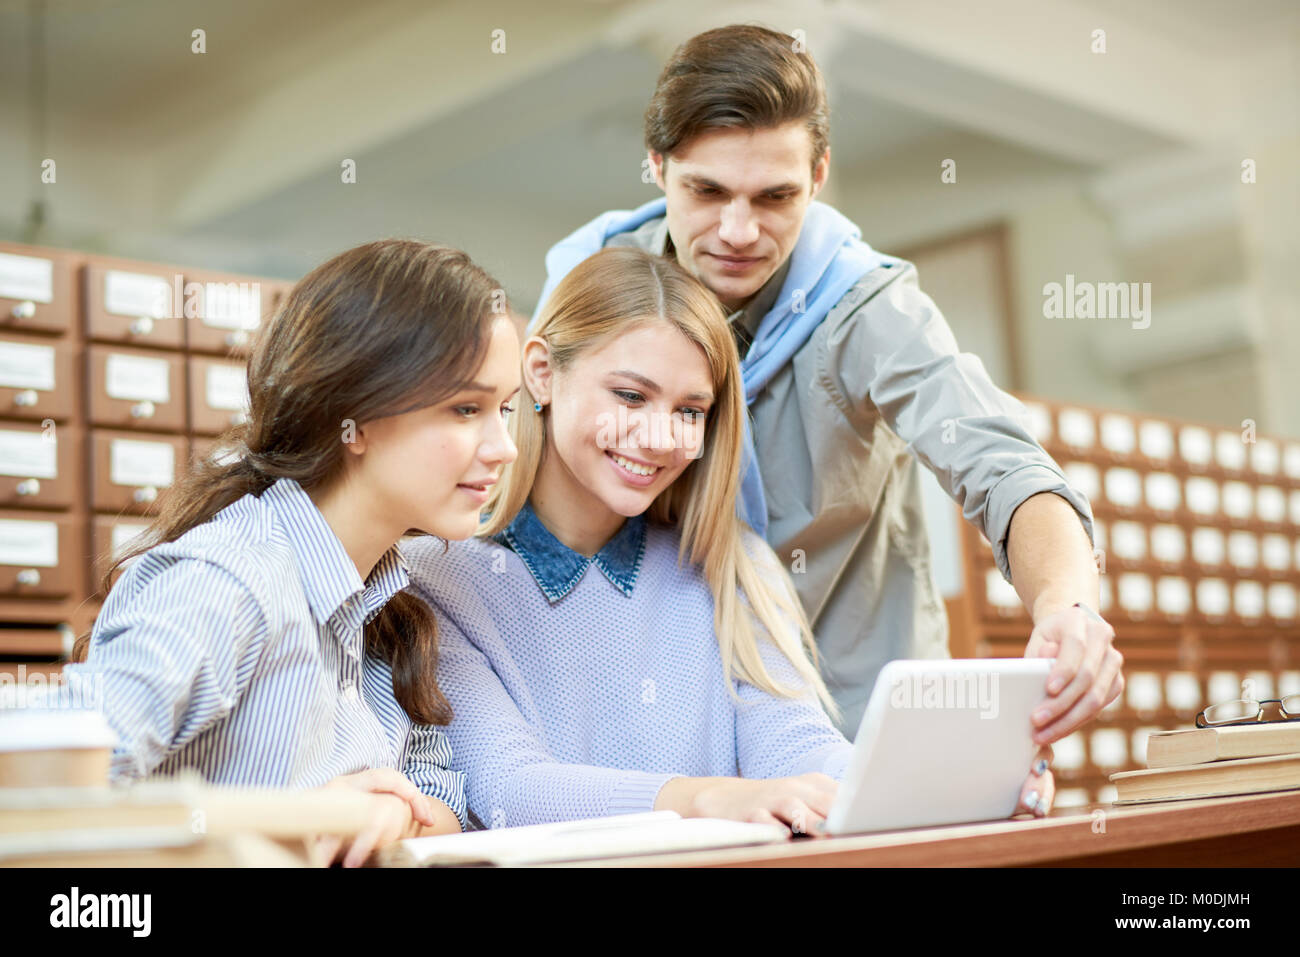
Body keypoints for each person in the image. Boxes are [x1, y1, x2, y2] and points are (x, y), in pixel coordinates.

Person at [531, 24, 1123, 742]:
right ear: (657, 167)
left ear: (818, 175)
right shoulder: (593, 289)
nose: (740, 230)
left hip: (851, 706)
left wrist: (1069, 605)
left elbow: (1008, 470)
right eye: (707, 191)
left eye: (775, 196)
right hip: (659, 711)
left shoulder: (869, 310)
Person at [404, 246, 1054, 832]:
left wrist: (944, 789)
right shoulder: (439, 577)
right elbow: (511, 789)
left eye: (689, 410)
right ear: (541, 374)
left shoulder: (730, 561)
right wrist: (709, 796)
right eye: (631, 395)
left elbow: (796, 744)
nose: (660, 437)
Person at [59, 239, 521, 866]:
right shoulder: (225, 583)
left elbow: (443, 804)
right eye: (467, 408)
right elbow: (53, 799)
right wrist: (304, 818)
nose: (505, 447)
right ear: (355, 413)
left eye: (507, 410)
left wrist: (390, 813)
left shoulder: (385, 599)